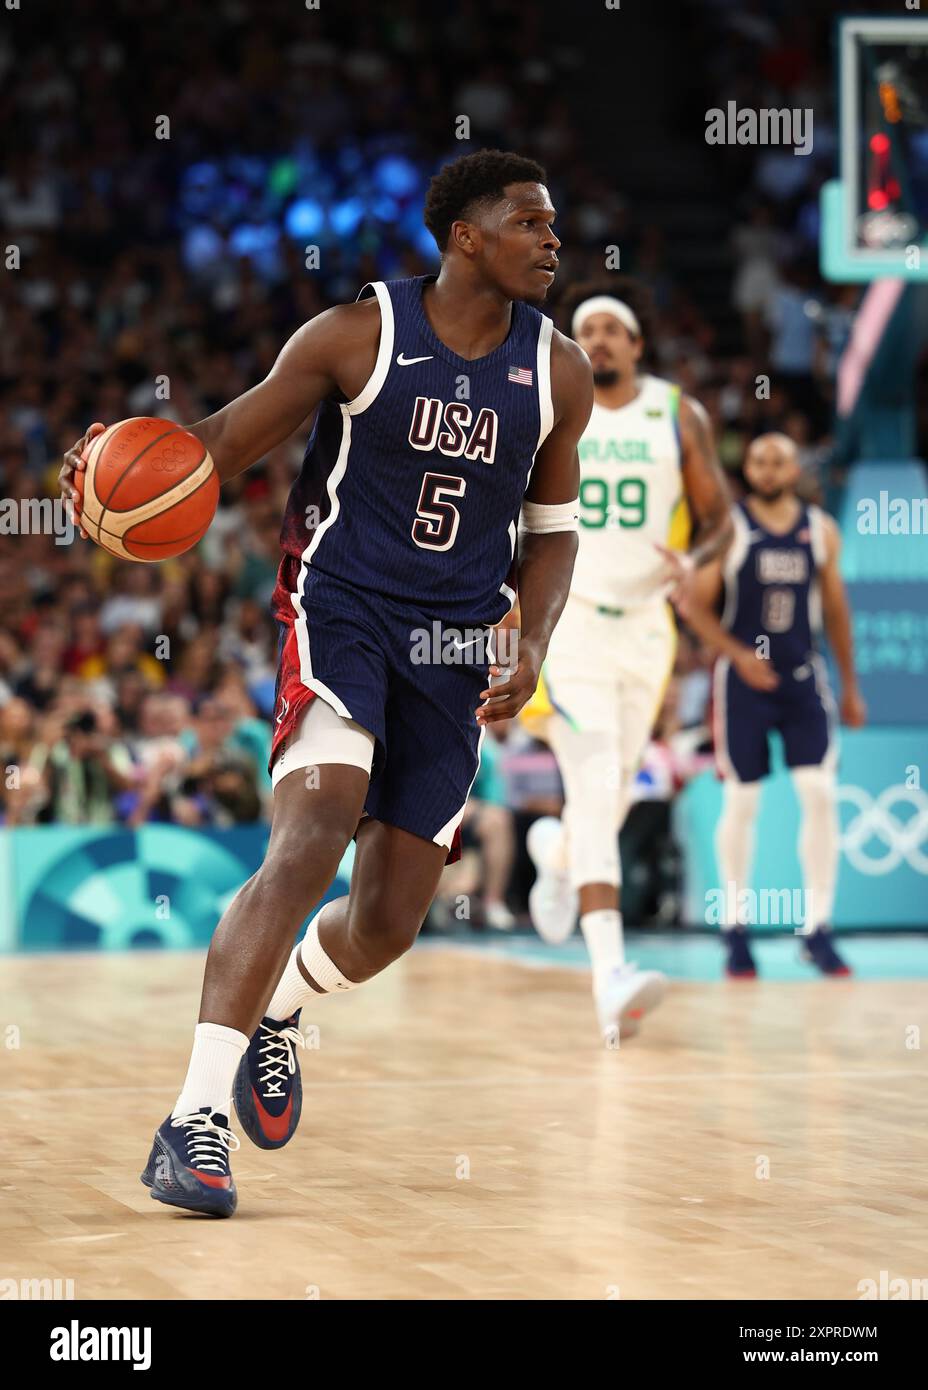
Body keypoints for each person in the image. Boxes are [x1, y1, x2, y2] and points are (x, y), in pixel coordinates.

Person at [59, 149, 593, 1217]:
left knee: (392, 917)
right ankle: (193, 1119)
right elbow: (218, 443)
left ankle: (286, 1006)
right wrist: (121, 459)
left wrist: (531, 640)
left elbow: (553, 533)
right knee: (310, 837)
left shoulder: (559, 371)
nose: (552, 240)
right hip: (339, 606)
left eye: (554, 225)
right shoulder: (358, 335)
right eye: (528, 222)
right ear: (466, 237)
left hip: (452, 645)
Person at [522, 279, 732, 1043]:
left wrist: (696, 559)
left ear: (638, 344)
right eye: (589, 330)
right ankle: (611, 975)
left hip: (646, 630)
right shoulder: (554, 407)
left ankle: (554, 853)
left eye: (615, 329)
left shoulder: (678, 414)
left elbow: (721, 517)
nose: (601, 340)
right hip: (570, 619)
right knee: (599, 773)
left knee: (605, 801)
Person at [676, 432, 866, 977]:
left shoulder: (820, 530)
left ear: (794, 467)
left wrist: (851, 685)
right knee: (743, 803)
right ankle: (735, 929)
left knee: (821, 793)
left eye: (777, 459)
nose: (766, 468)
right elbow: (695, 606)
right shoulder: (730, 528)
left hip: (803, 677)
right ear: (749, 469)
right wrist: (737, 654)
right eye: (757, 460)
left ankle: (818, 928)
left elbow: (836, 611)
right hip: (743, 684)